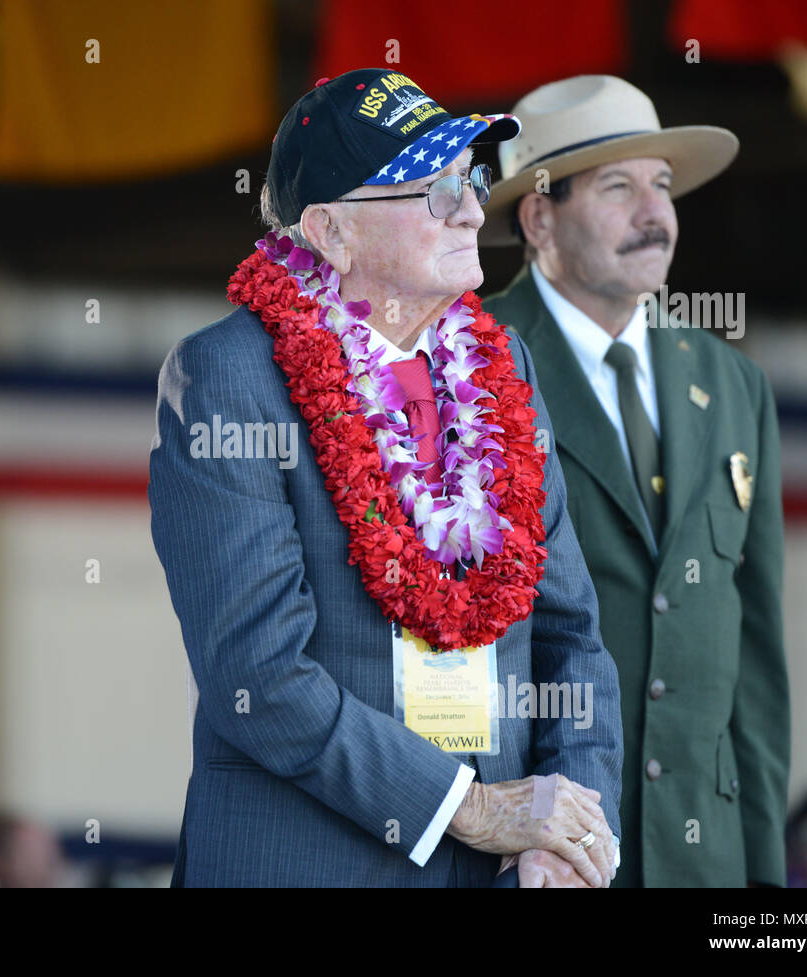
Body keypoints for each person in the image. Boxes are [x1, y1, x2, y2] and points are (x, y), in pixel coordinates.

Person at [148, 68, 623, 887]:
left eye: (471, 179)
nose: (475, 206)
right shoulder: (228, 375)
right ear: (331, 230)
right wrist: (475, 809)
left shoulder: (503, 365)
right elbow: (260, 674)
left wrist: (565, 830)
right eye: (435, 189)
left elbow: (571, 633)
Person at [480, 74, 789, 887]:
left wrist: (762, 879)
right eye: (619, 188)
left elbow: (753, 657)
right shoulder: (466, 364)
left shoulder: (731, 383)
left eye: (663, 186)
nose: (656, 214)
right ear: (539, 216)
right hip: (548, 856)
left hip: (706, 859)